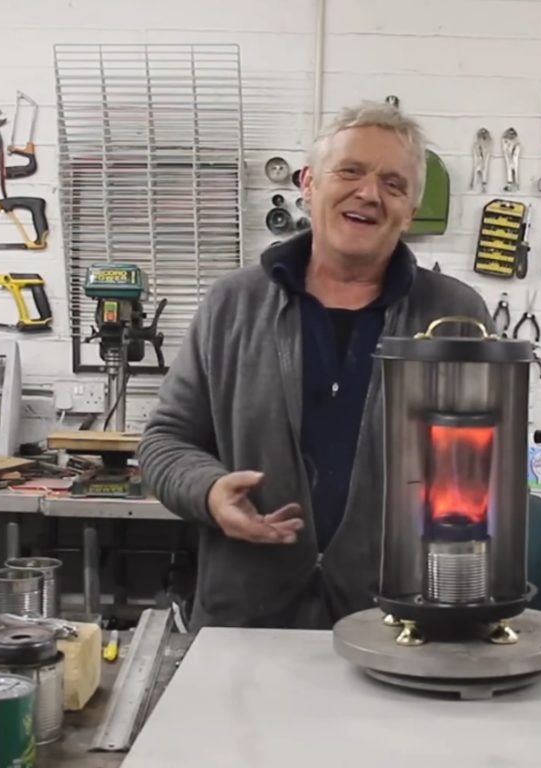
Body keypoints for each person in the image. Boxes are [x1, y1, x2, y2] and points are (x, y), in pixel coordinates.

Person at [137, 101, 493, 631]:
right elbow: (165, 441)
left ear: (410, 211)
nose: (368, 193)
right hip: (248, 622)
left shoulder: (455, 316)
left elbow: (481, 469)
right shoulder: (233, 305)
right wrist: (209, 492)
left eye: (393, 184)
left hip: (398, 622)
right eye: (350, 171)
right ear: (308, 182)